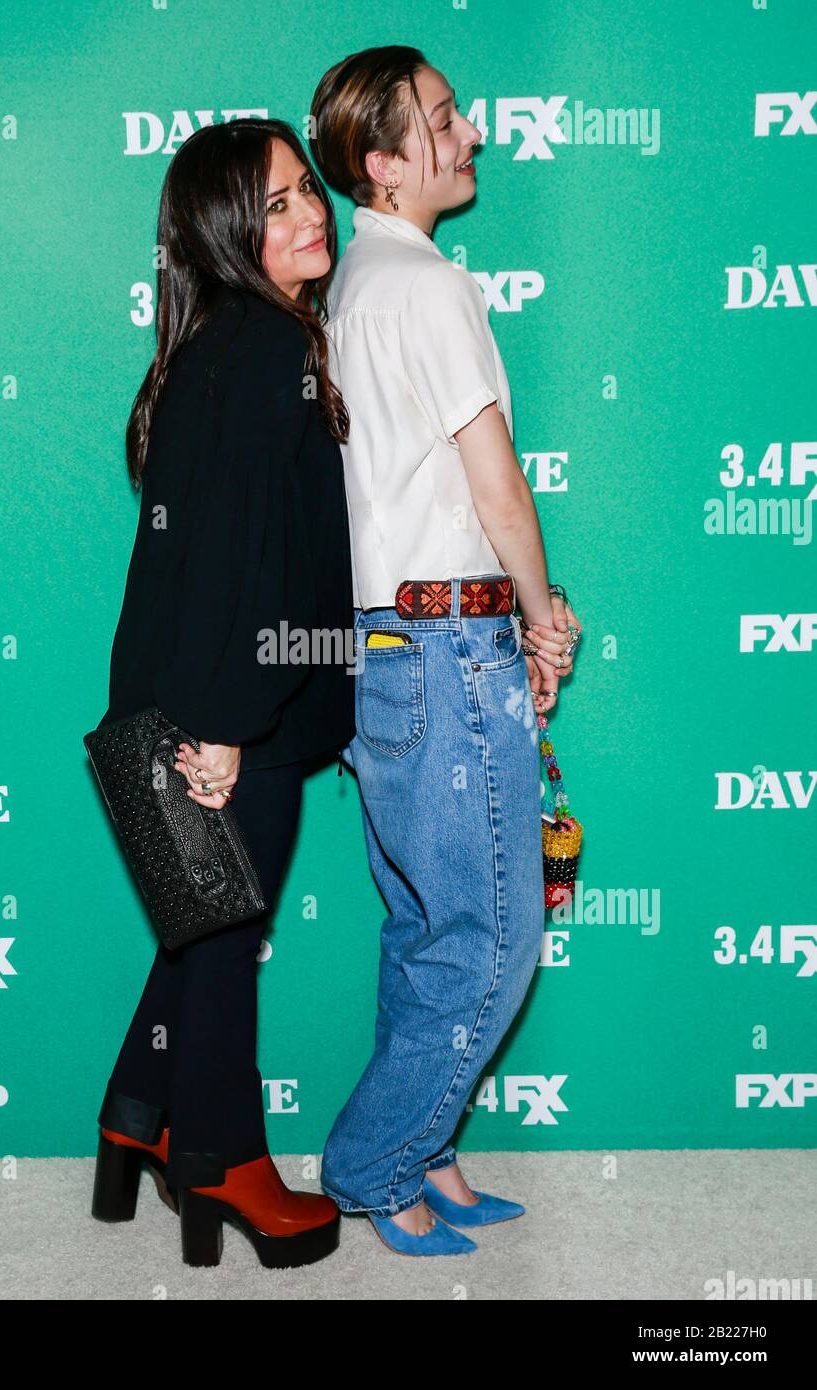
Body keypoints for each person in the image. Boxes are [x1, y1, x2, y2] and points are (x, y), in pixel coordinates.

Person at [309, 46, 583, 1255]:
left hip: (393, 651)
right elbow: (496, 484)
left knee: (429, 928)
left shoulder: (359, 283)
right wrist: (542, 613)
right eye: (439, 118)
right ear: (382, 163)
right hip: (449, 638)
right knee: (489, 936)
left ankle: (425, 1151)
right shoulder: (425, 286)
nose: (468, 130)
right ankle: (372, 1163)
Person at [87, 117, 357, 1269]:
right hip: (234, 709)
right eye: (278, 205)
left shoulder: (211, 346)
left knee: (202, 923)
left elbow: (200, 554)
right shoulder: (262, 347)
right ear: (223, 233)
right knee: (223, 934)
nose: (309, 218)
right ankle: (224, 1161)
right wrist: (231, 727)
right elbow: (248, 559)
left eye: (307, 193)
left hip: (185, 700)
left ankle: (135, 1117)